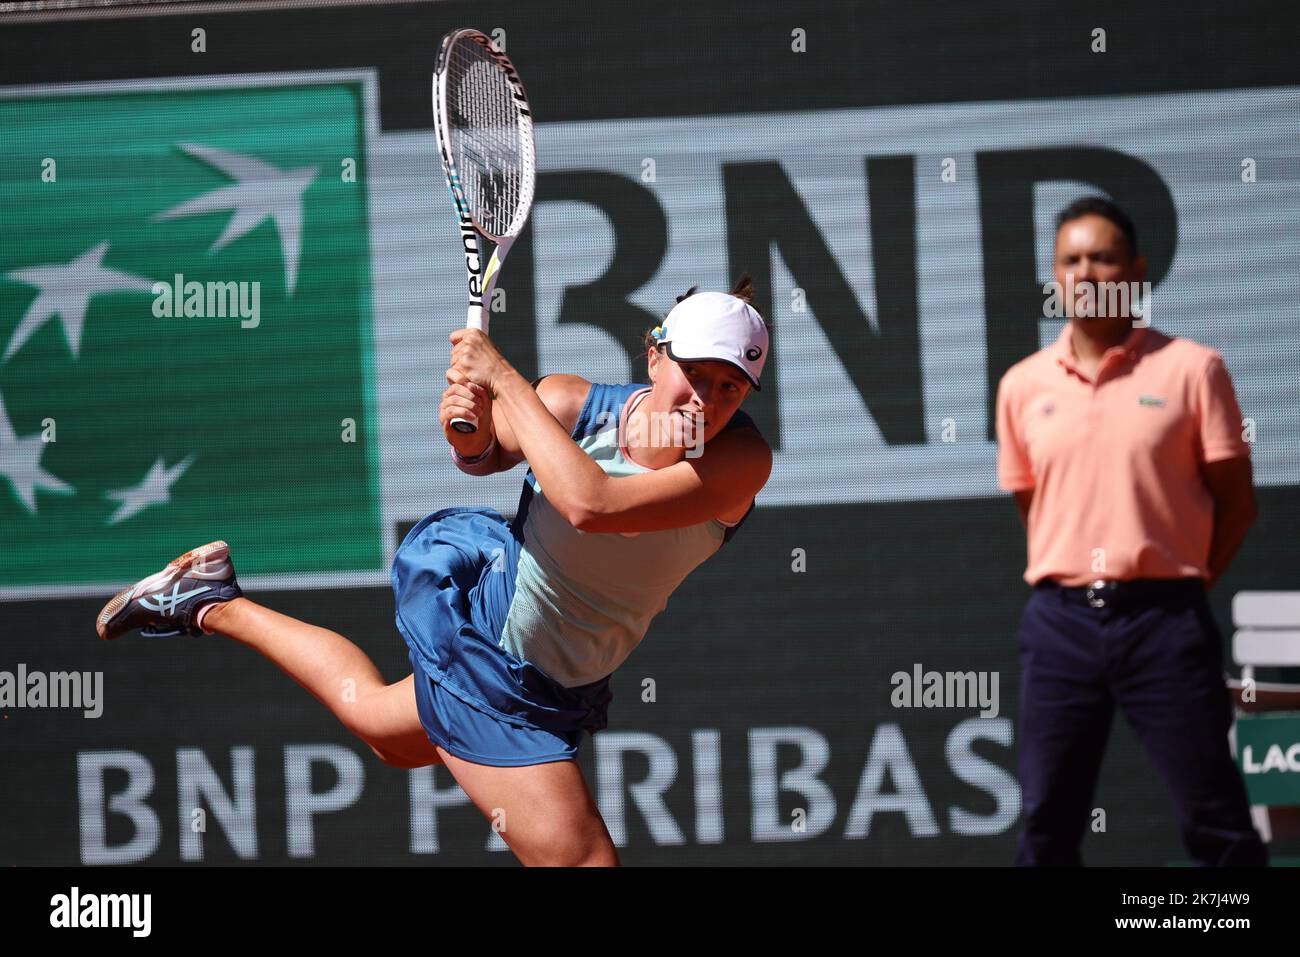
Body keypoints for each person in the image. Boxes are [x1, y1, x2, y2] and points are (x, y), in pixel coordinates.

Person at [94, 278, 773, 867]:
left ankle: (209, 598)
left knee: (383, 729)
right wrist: (469, 426)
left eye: (731, 386)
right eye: (696, 372)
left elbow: (593, 505)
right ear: (655, 355)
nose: (706, 400)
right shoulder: (572, 405)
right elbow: (482, 454)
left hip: (559, 674)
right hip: (495, 655)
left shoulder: (741, 462)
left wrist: (501, 378)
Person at [996, 196, 1266, 866]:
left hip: (1165, 622)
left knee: (1217, 821)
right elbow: (1034, 503)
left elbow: (1237, 504)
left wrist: (1184, 582)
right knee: (1045, 824)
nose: (1086, 271)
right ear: (1054, 277)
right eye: (1072, 259)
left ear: (1137, 270)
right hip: (1059, 623)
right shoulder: (1022, 386)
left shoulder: (1193, 369)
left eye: (1103, 257)